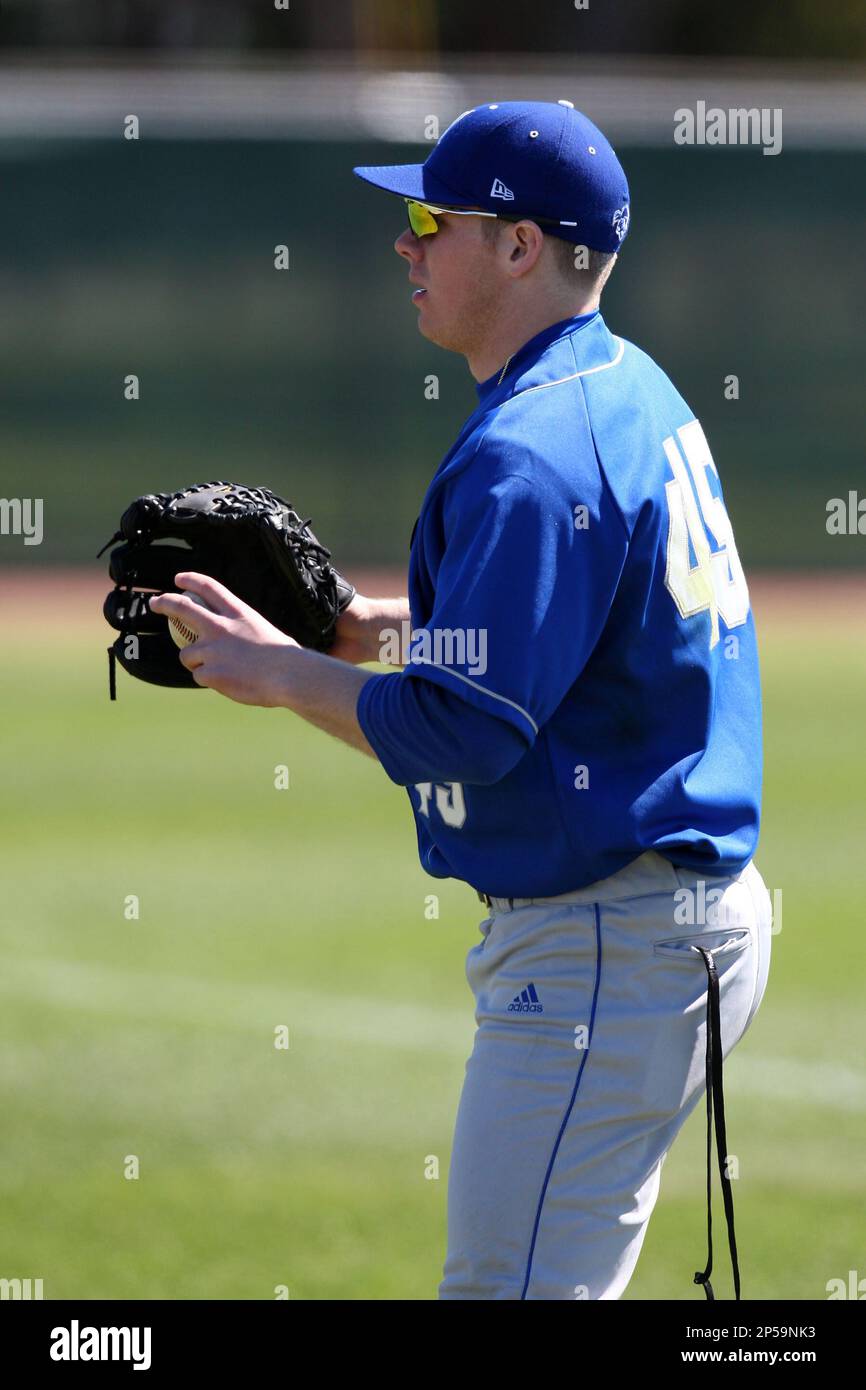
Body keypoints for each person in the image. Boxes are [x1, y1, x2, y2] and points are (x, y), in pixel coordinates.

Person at [151, 101, 772, 1301]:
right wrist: (387, 631)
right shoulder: (622, 386)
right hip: (676, 922)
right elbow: (592, 637)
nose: (405, 242)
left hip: (605, 941)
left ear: (519, 247)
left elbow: (463, 733)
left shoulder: (529, 451)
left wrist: (275, 669)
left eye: (431, 218)